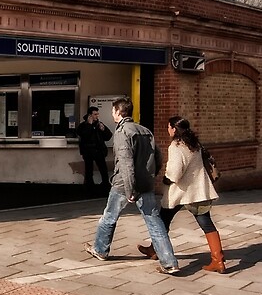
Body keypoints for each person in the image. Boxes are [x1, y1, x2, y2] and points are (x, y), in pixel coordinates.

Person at [86, 96, 180, 274]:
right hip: (146, 184)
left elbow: (126, 163)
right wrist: (151, 175)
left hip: (124, 185)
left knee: (109, 217)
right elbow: (158, 157)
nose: (112, 113)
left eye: (113, 110)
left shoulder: (122, 133)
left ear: (118, 112)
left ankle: (100, 249)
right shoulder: (145, 131)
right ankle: (169, 262)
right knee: (155, 223)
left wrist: (130, 190)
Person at [137, 115, 225, 273]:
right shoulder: (194, 143)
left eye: (169, 127)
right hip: (198, 192)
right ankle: (218, 260)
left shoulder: (176, 146)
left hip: (180, 193)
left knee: (163, 221)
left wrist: (165, 179)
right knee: (206, 223)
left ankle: (155, 250)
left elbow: (175, 173)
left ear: (174, 129)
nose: (167, 129)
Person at [76, 106, 112, 192]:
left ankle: (105, 186)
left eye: (97, 114)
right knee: (89, 170)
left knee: (103, 169)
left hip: (99, 151)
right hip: (88, 152)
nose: (97, 116)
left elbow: (108, 136)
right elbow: (84, 136)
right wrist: (89, 125)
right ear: (90, 115)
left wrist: (103, 130)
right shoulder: (83, 125)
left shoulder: (99, 124)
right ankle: (89, 187)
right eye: (95, 114)